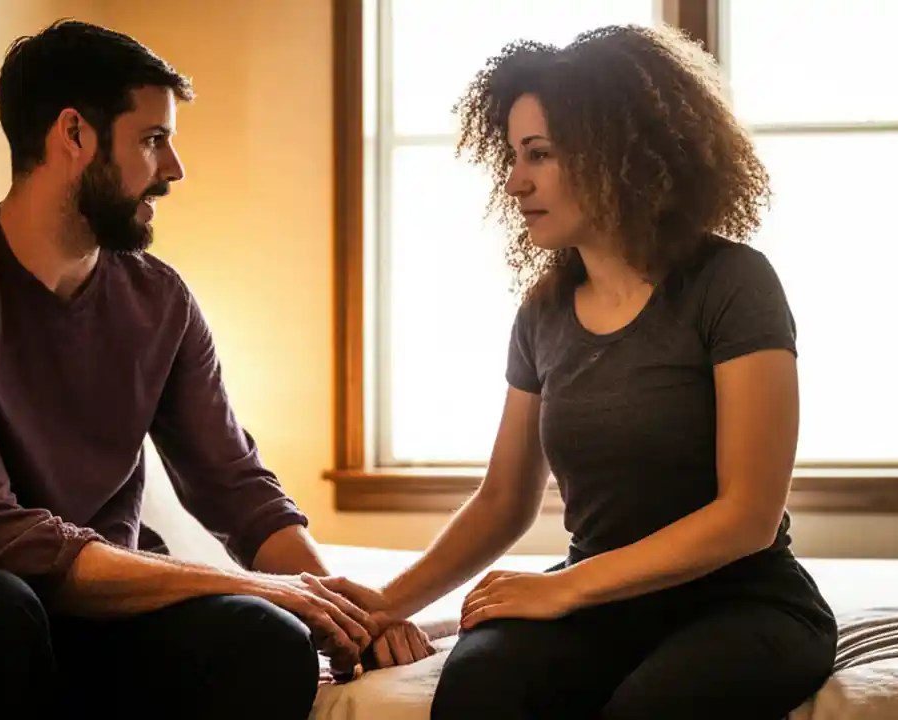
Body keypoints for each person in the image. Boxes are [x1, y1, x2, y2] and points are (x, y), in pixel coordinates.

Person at [0, 19, 431, 720]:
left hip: (98, 618)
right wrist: (250, 585)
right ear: (74, 135)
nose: (175, 167)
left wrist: (335, 601)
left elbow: (237, 486)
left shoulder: (161, 301)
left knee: (267, 641)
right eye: (153, 139)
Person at [321, 24, 839, 719]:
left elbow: (747, 516)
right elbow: (504, 500)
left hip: (742, 600)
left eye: (541, 154)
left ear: (620, 157)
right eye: (513, 154)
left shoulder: (733, 283)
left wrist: (564, 588)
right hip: (600, 600)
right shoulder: (543, 311)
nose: (515, 180)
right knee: (478, 688)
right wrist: (385, 606)